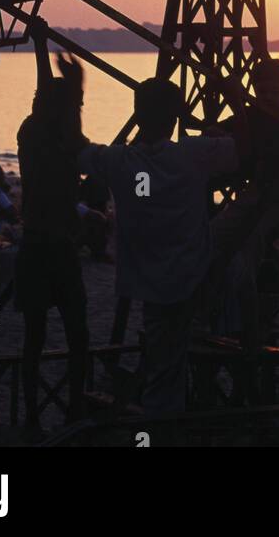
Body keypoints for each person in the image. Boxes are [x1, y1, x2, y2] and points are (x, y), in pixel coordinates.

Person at [78, 75, 238, 425]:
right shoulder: (196, 153)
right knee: (171, 365)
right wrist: (223, 120)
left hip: (149, 281)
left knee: (166, 359)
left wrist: (74, 90)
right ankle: (168, 424)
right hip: (192, 277)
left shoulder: (118, 161)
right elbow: (245, 148)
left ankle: (167, 418)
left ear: (138, 114)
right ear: (174, 117)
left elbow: (78, 148)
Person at [16, 25, 89, 432]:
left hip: (37, 248)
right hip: (55, 250)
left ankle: (35, 415)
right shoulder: (65, 141)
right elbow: (57, 103)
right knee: (75, 335)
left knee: (36, 339)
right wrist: (70, 79)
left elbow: (46, 93)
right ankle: (71, 408)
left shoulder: (32, 132)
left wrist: (41, 46)